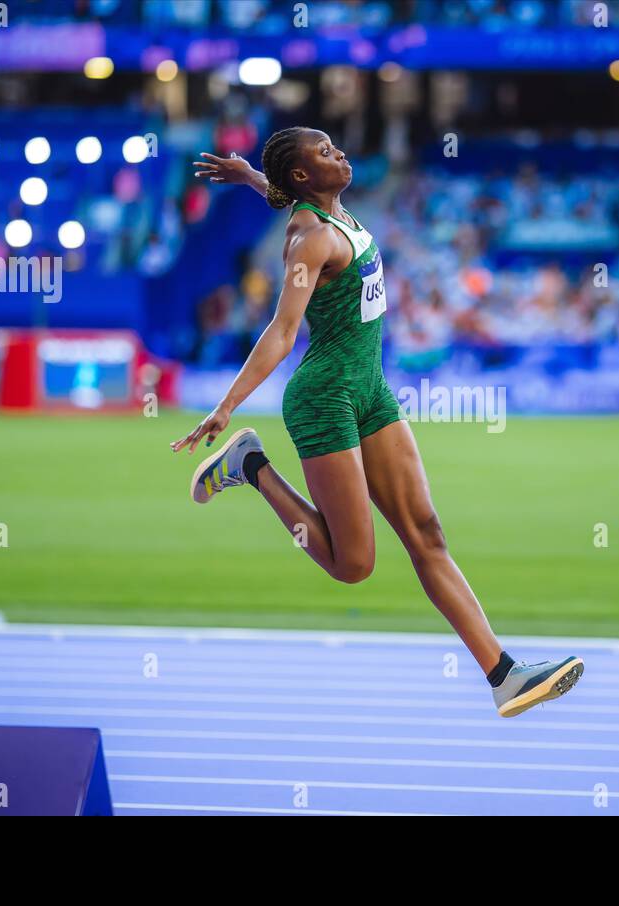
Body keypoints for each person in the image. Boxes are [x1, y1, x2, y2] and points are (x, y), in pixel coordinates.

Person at [174, 128, 583, 717]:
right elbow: (283, 332)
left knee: (427, 534)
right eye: (323, 152)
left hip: (370, 390)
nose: (339, 152)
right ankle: (251, 466)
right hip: (324, 398)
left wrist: (248, 178)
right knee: (354, 564)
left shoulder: (329, 215)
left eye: (336, 144)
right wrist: (227, 404)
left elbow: (291, 201)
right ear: (301, 178)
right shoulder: (309, 238)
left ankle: (504, 676)